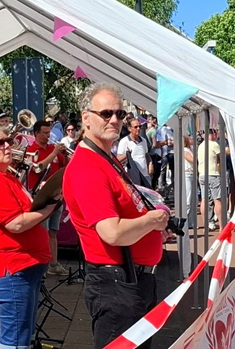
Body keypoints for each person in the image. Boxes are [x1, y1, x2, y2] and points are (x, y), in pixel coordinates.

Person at [63, 83, 167, 349]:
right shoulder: (88, 166)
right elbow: (112, 233)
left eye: (119, 114)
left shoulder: (105, 158)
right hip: (117, 284)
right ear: (86, 118)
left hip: (131, 280)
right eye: (106, 113)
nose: (114, 120)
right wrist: (151, 221)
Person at [0, 120, 57, 349]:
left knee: (22, 335)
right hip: (12, 268)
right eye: (1, 142)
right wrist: (48, 209)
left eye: (8, 141)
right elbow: (16, 224)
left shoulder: (4, 175)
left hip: (25, 266)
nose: (9, 145)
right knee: (15, 339)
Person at [26, 120, 69, 277]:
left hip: (56, 194)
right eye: (44, 133)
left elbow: (65, 168)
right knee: (42, 231)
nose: (48, 136)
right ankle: (41, 264)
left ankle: (53, 263)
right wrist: (54, 154)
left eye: (49, 132)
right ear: (36, 134)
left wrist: (65, 155)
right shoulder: (31, 150)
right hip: (40, 195)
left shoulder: (53, 149)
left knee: (53, 231)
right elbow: (38, 168)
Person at [116, 118, 152, 188]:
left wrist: (150, 164)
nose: (138, 129)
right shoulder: (124, 141)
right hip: (132, 176)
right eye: (135, 127)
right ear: (129, 129)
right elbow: (118, 159)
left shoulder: (143, 140)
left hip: (145, 175)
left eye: (140, 126)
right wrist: (127, 154)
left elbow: (146, 154)